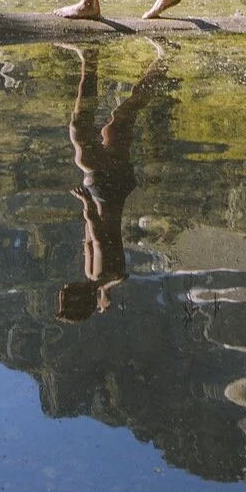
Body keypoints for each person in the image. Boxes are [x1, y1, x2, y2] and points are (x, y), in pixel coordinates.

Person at [54, 43, 163, 321]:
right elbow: (100, 237)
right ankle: (89, 60)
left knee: (121, 121)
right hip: (104, 190)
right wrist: (86, 203)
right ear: (77, 296)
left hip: (115, 188)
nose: (63, 290)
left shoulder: (103, 278)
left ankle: (161, 65)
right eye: (66, 296)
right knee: (80, 128)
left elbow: (118, 272)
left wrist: (106, 294)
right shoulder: (98, 274)